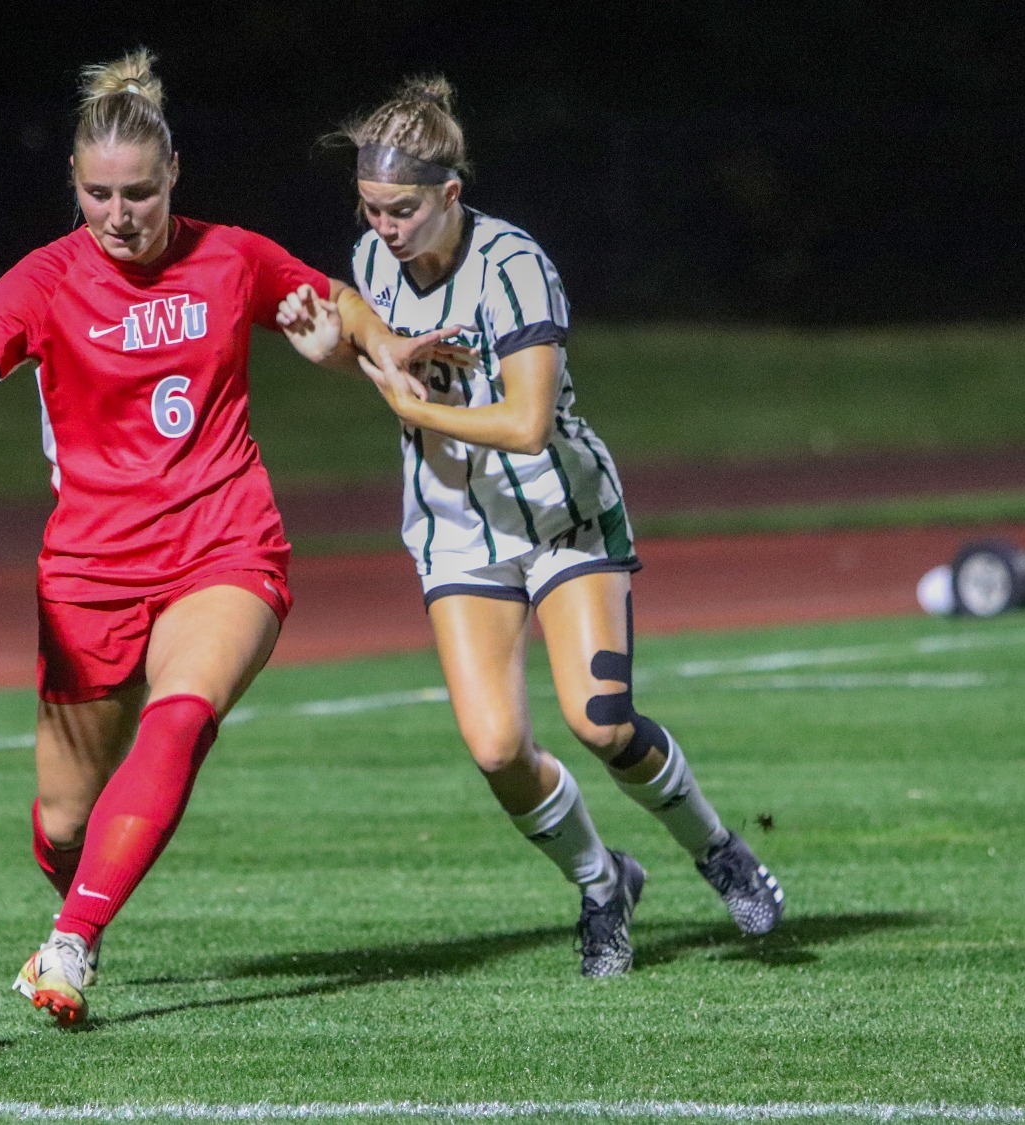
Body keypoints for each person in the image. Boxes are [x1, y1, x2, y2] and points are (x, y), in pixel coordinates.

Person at [0, 51, 451, 1025]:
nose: (118, 213)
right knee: (65, 821)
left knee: (182, 715)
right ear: (74, 184)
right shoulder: (46, 279)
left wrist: (385, 347)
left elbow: (328, 302)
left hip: (225, 538)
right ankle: (76, 888)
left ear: (172, 175)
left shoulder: (228, 256)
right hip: (90, 569)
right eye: (98, 194)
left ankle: (69, 949)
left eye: (137, 192)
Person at [276, 77, 785, 976]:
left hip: (562, 514)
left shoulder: (513, 265)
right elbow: (377, 353)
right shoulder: (369, 262)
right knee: (496, 746)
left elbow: (524, 422)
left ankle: (716, 848)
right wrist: (338, 358)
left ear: (450, 194)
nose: (384, 227)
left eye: (401, 209)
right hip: (457, 529)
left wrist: (407, 403)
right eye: (370, 209)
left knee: (600, 722)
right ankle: (601, 885)